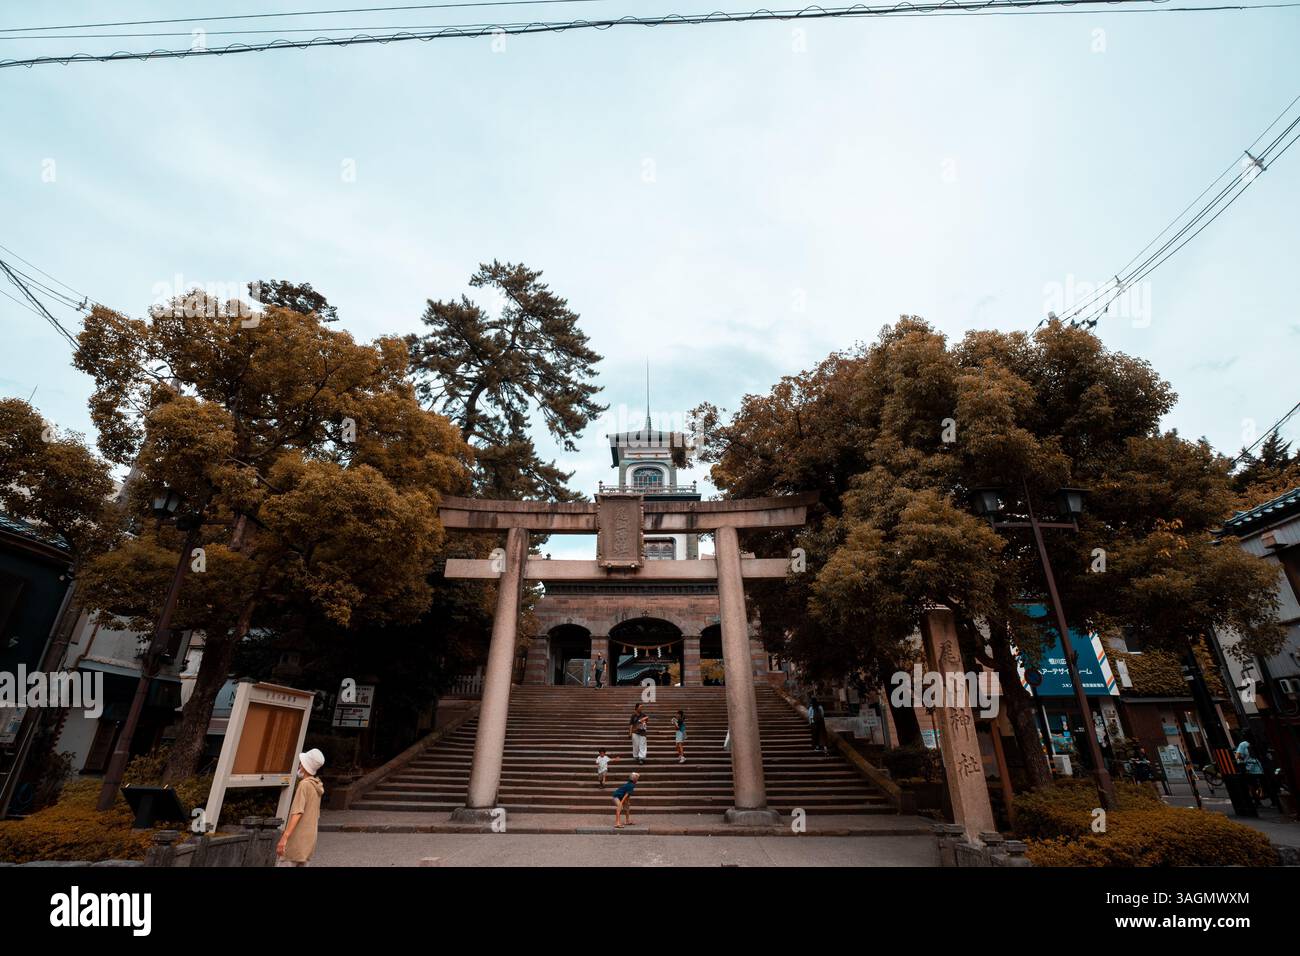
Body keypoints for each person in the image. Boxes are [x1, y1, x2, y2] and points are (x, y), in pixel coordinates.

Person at [277, 748, 326, 867]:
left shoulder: (304, 785)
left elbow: (298, 812)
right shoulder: (317, 786)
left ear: (304, 766)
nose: (299, 765)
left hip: (296, 840)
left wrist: (285, 837)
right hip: (309, 842)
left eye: (301, 763)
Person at [1236, 738, 1264, 805]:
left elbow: (1238, 756)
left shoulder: (1244, 744)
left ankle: (1257, 799)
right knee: (1255, 783)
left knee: (1253, 784)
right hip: (1256, 767)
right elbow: (1238, 756)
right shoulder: (1246, 744)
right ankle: (1259, 799)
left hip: (1253, 767)